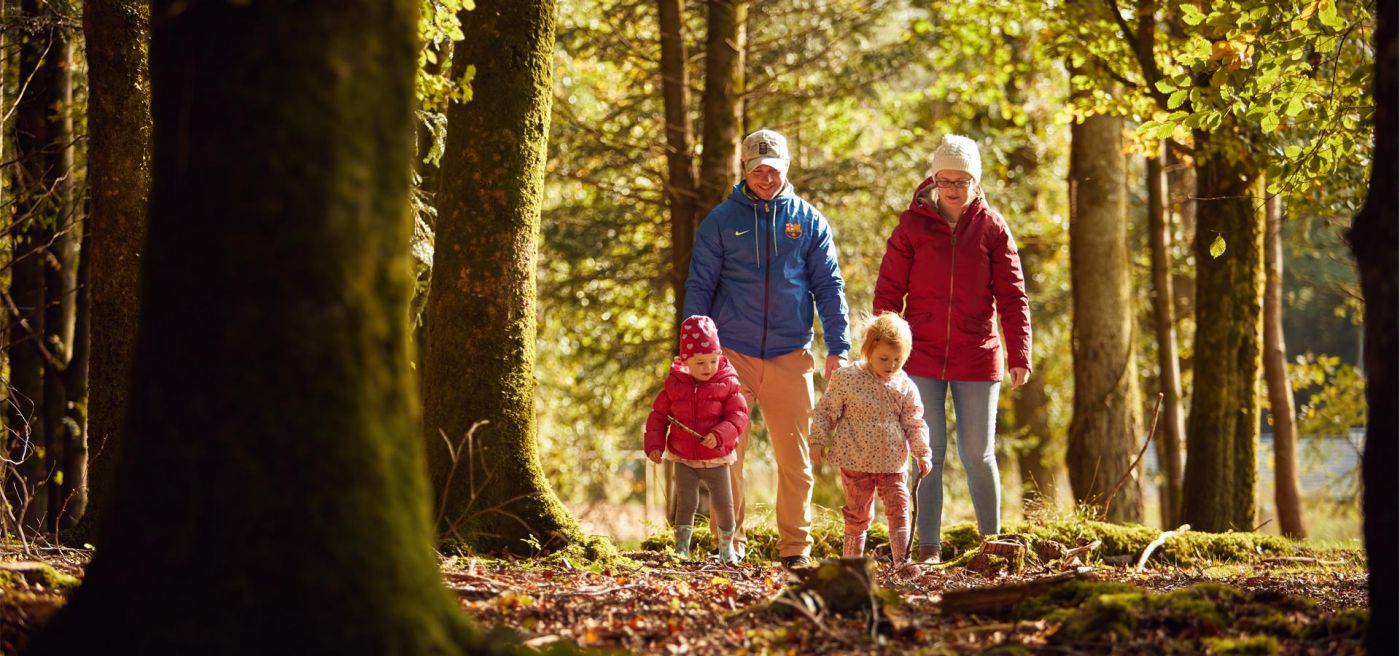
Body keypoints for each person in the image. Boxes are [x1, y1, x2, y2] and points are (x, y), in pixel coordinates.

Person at [684, 128, 851, 569]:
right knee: (726, 455)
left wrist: (839, 346)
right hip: (731, 354)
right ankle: (730, 543)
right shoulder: (720, 221)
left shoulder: (809, 221)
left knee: (797, 459)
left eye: (773, 169)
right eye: (757, 169)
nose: (766, 177)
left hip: (790, 354)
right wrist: (691, 347)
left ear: (786, 169)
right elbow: (700, 284)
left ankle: (795, 547)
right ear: (744, 169)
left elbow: (829, 287)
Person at [872, 133, 1033, 563]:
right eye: (946, 179)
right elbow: (888, 292)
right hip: (919, 357)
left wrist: (1019, 355)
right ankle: (928, 548)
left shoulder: (993, 228)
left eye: (962, 180)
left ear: (976, 182)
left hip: (978, 356)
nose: (954, 188)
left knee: (977, 454)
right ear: (933, 179)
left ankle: (992, 546)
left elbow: (1013, 296)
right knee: (928, 455)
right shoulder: (911, 226)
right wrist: (881, 351)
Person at [811, 313, 931, 567]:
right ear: (868, 351)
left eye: (898, 360)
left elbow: (914, 422)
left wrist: (922, 452)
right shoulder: (846, 379)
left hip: (892, 460)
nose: (890, 365)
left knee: (899, 509)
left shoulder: (905, 385)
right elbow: (825, 411)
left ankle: (902, 562)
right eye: (884, 358)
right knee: (856, 513)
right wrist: (817, 440)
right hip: (855, 459)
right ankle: (852, 565)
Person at [644, 315, 749, 563]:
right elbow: (658, 416)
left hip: (716, 458)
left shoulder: (726, 383)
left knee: (724, 504)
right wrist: (654, 445)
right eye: (700, 362)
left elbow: (738, 415)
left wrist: (719, 434)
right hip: (683, 457)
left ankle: (726, 550)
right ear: (685, 361)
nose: (708, 367)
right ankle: (681, 550)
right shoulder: (674, 385)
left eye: (713, 360)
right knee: (686, 503)